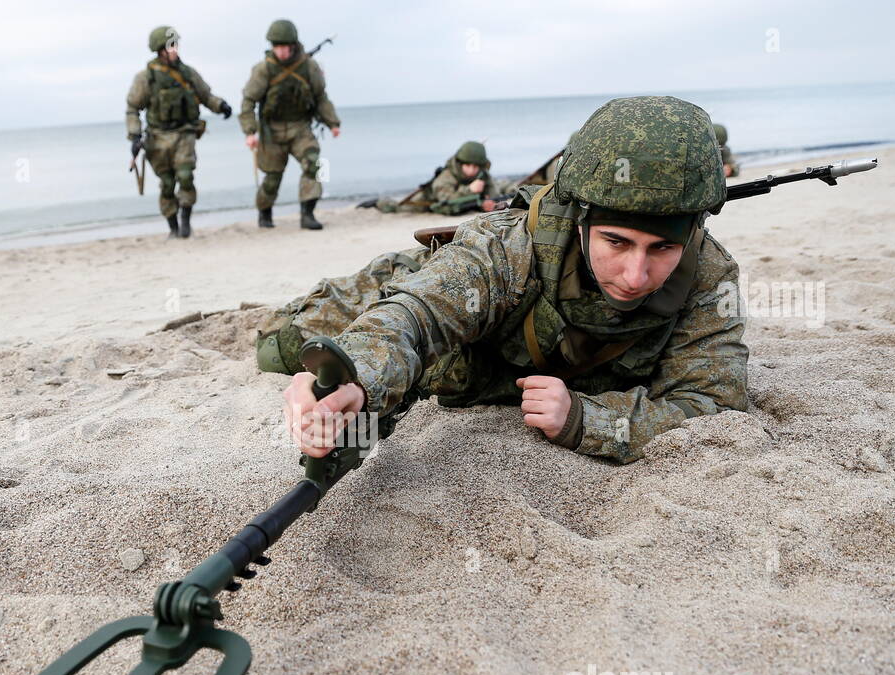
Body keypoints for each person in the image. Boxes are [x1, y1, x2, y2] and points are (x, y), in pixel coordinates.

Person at [258, 96, 749, 465]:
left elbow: (710, 403)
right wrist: (356, 379)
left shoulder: (709, 275)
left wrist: (585, 419)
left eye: (662, 248)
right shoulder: (508, 247)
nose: (637, 275)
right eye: (616, 242)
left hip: (489, 371)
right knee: (276, 348)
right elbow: (418, 316)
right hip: (421, 288)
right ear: (580, 222)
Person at [125, 26, 233, 238]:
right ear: (160, 50)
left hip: (184, 134)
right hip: (158, 137)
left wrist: (221, 106)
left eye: (175, 44)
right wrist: (135, 136)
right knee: (167, 184)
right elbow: (132, 109)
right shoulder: (146, 78)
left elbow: (206, 95)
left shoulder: (188, 73)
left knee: (185, 176)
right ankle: (172, 226)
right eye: (170, 45)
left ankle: (185, 222)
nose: (175, 49)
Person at [239, 19, 341, 230]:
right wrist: (250, 131)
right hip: (271, 130)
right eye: (277, 46)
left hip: (300, 127)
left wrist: (332, 122)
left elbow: (321, 97)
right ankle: (264, 213)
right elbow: (248, 100)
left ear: (293, 45)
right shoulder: (263, 69)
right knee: (273, 176)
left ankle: (308, 213)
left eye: (285, 46)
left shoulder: (309, 67)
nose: (282, 51)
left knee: (315, 163)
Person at [375, 141, 519, 214]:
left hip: (462, 200)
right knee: (398, 208)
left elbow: (494, 193)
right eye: (468, 165)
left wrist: (489, 203)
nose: (472, 170)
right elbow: (447, 201)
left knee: (504, 185)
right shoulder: (446, 176)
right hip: (427, 201)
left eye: (476, 166)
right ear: (460, 163)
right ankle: (377, 202)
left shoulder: (482, 174)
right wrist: (470, 190)